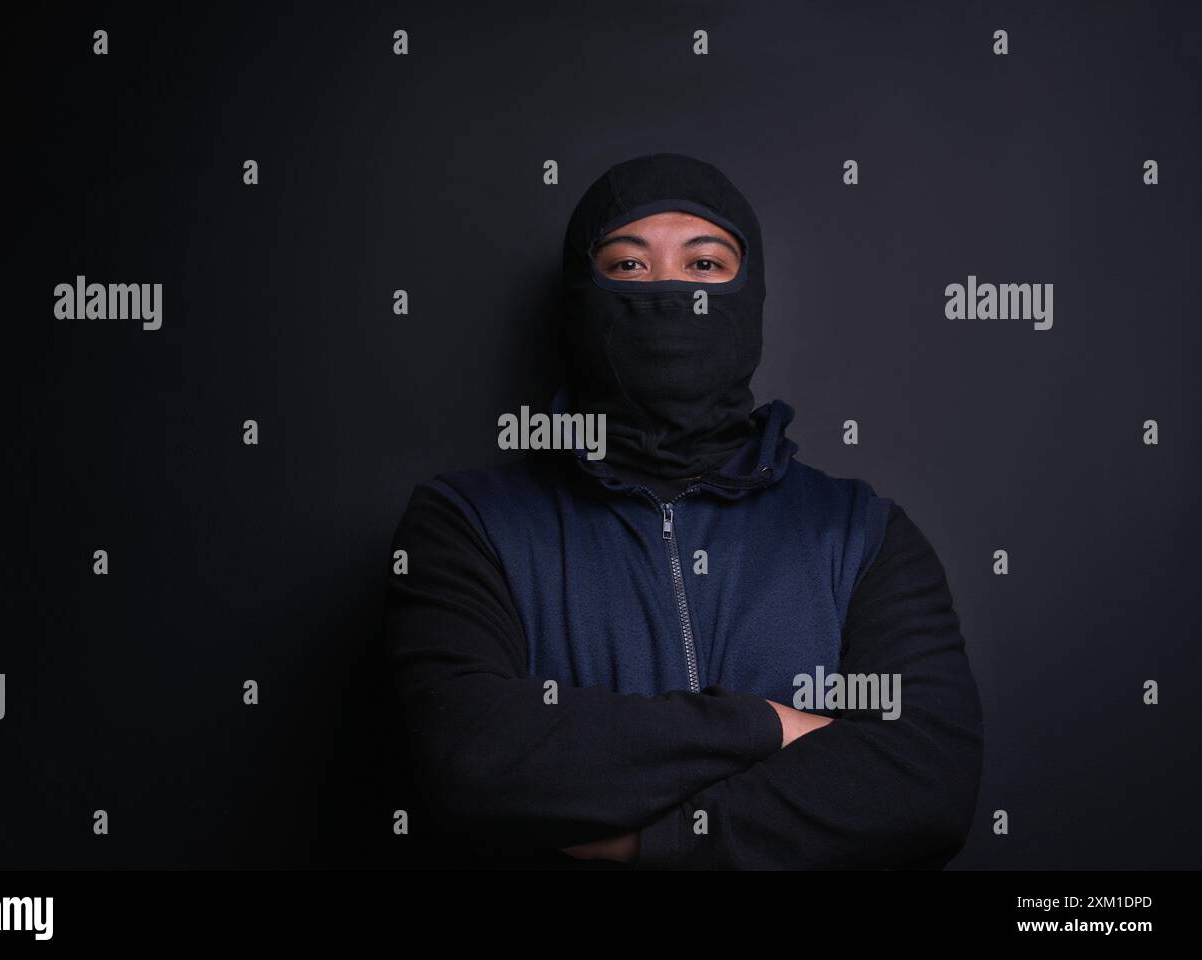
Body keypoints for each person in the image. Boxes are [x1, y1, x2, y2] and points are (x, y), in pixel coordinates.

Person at [381, 152, 984, 869]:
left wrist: (652, 843)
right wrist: (767, 725)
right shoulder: (468, 524)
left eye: (704, 265)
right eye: (629, 266)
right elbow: (470, 758)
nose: (669, 292)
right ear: (582, 296)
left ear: (749, 292)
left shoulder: (860, 533)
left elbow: (926, 785)